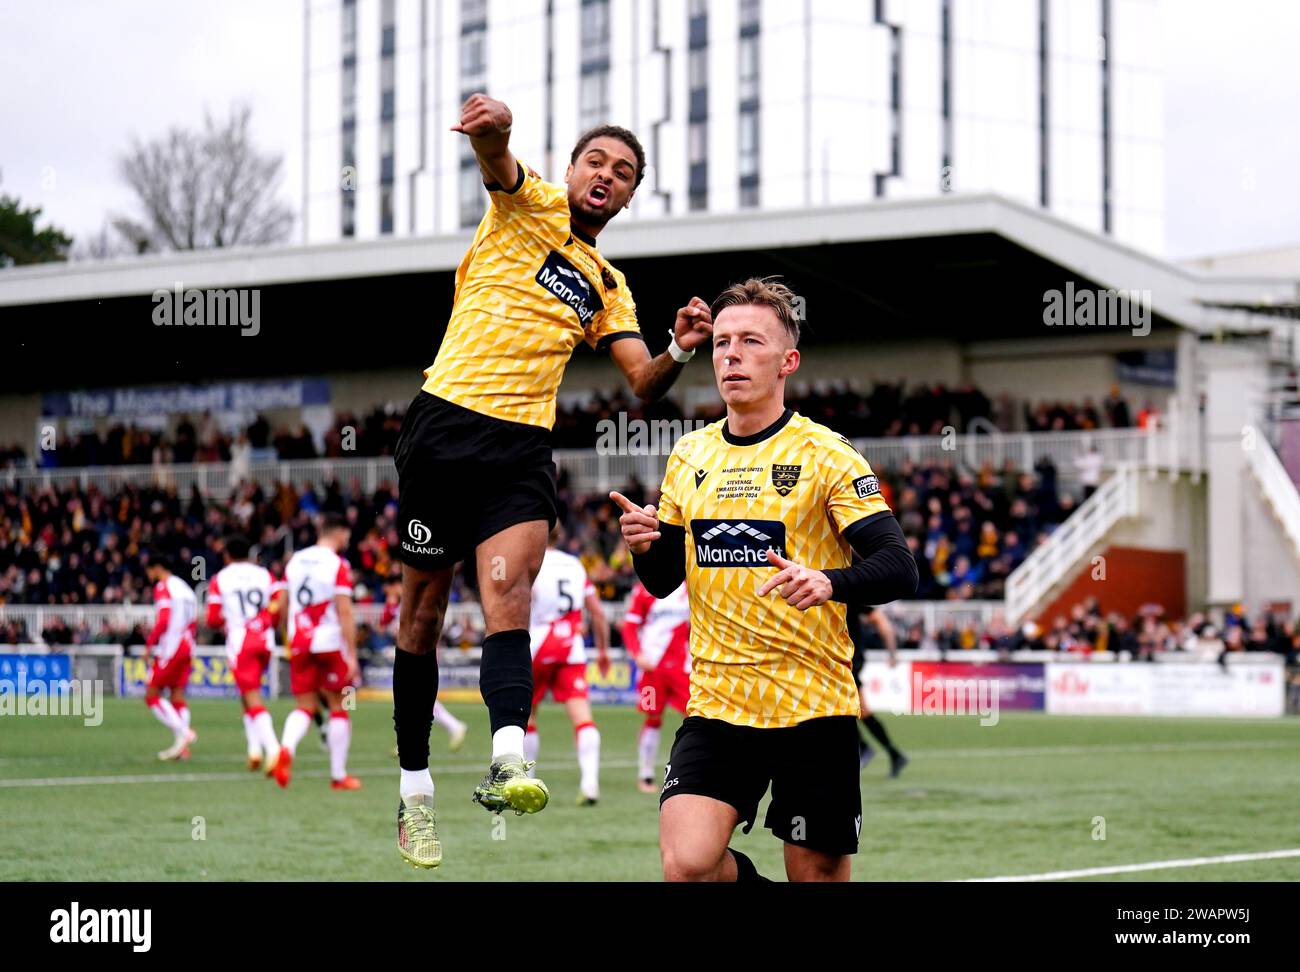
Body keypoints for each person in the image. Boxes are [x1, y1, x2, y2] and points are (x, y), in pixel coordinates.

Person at [390, 91, 712, 869]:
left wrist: (682, 346)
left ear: (631, 196)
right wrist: (494, 129)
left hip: (521, 450)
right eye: (596, 160)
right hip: (443, 427)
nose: (607, 175)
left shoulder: (608, 284)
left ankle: (508, 758)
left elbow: (641, 381)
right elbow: (497, 158)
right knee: (422, 614)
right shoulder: (527, 206)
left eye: (623, 171)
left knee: (509, 596)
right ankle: (414, 796)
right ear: (570, 170)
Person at [612, 277, 918, 882]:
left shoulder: (828, 455)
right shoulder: (689, 455)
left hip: (813, 704)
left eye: (752, 341)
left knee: (819, 877)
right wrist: (645, 546)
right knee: (688, 866)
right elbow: (663, 581)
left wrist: (831, 581)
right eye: (722, 342)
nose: (731, 354)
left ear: (788, 361)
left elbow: (898, 564)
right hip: (721, 703)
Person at [268, 514, 362, 792]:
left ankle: (285, 749)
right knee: (339, 706)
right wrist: (353, 654)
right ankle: (338, 775)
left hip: (300, 641)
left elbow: (282, 604)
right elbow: (344, 611)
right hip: (329, 642)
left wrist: (289, 635)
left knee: (305, 706)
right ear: (339, 532)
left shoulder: (295, 560)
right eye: (347, 535)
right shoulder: (338, 564)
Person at [524, 525, 611, 805]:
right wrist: (603, 652)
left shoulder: (531, 560)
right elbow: (597, 612)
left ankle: (527, 783)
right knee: (583, 718)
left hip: (538, 642)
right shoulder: (575, 564)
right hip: (571, 646)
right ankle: (590, 784)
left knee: (527, 716)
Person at [205, 534, 284, 772]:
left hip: (241, 644)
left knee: (251, 696)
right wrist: (266, 620)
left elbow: (212, 618)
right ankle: (254, 750)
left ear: (227, 555)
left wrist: (232, 619)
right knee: (247, 694)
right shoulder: (264, 574)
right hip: (265, 642)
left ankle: (273, 749)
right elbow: (279, 601)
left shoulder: (221, 579)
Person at [622, 580, 691, 793]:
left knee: (695, 718)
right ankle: (646, 775)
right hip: (652, 668)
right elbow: (629, 626)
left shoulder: (691, 585)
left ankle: (693, 773)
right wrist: (637, 655)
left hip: (683, 667)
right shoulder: (644, 589)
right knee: (652, 718)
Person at [142, 549, 199, 761]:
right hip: (188, 646)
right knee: (177, 695)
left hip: (172, 647)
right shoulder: (185, 588)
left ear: (156, 568)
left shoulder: (163, 586)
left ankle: (184, 733)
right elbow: (194, 621)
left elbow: (164, 619)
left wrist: (150, 645)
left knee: (151, 694)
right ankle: (181, 747)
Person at [847, 605, 908, 777]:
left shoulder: (845, 587)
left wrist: (893, 653)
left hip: (847, 660)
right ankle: (890, 753)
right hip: (843, 659)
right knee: (855, 711)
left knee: (850, 711)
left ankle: (866, 748)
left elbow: (880, 620)